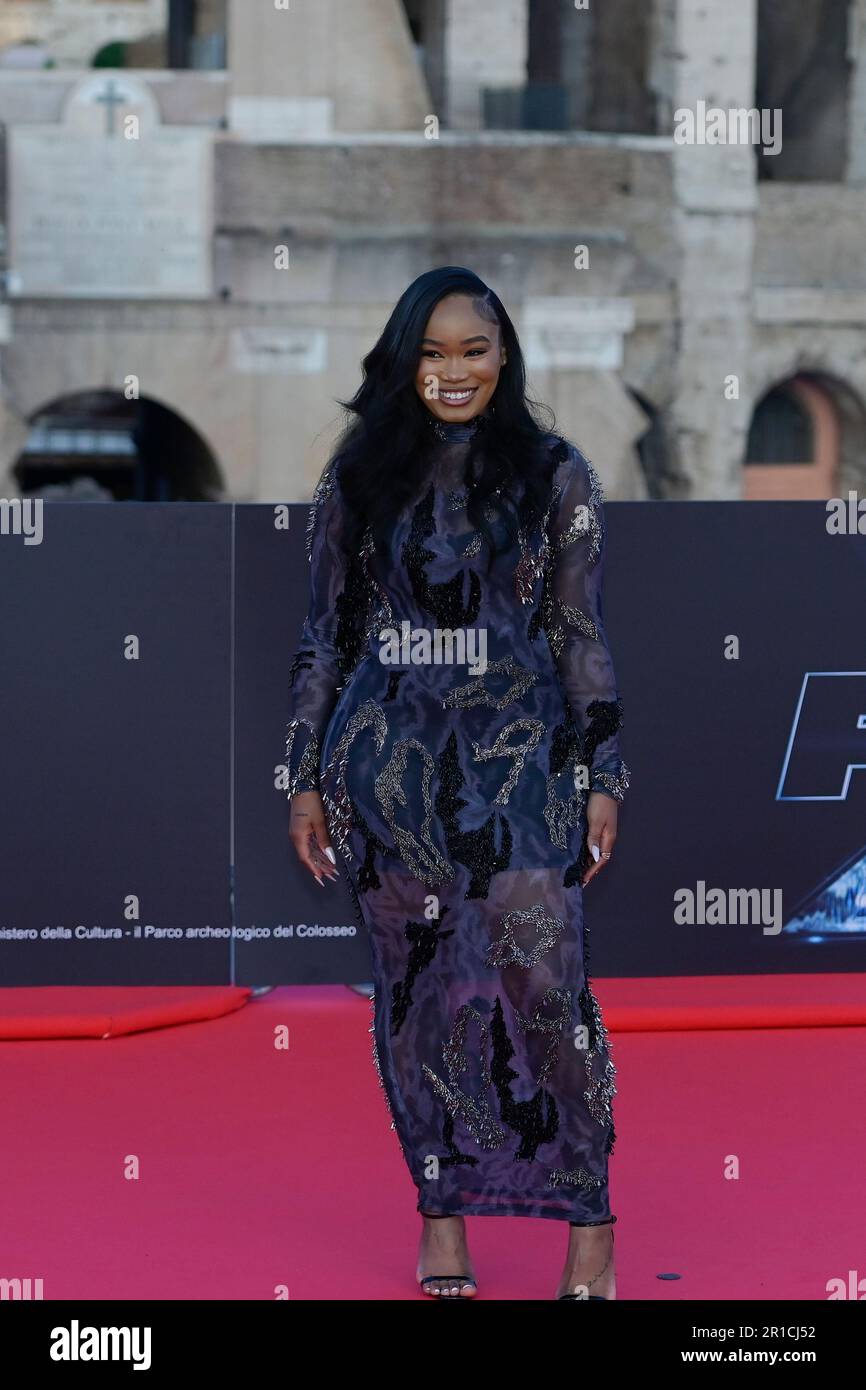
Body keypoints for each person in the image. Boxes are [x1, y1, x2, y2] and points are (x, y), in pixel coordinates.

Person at [285, 266, 629, 1300]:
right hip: (388, 767)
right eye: (431, 353)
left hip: (521, 764)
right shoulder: (359, 479)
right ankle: (439, 1215)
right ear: (404, 362)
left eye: (472, 350)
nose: (452, 372)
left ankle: (589, 1220)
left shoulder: (554, 474)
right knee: (417, 999)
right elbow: (326, 637)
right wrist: (304, 775)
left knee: (545, 983)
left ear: (503, 355)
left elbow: (576, 632)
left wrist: (602, 770)